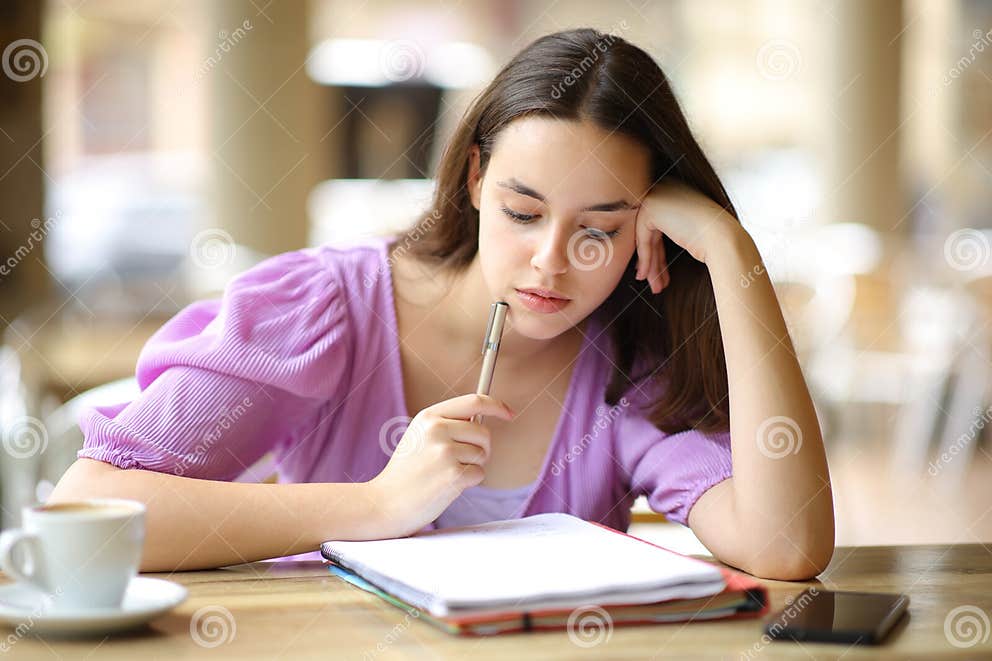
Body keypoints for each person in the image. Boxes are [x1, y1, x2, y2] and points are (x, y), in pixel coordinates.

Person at [50, 28, 834, 578]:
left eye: (599, 229)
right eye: (523, 213)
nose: (551, 262)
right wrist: (377, 503)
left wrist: (734, 255)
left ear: (646, 230)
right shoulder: (326, 310)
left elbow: (787, 546)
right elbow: (89, 512)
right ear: (472, 179)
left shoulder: (627, 359)